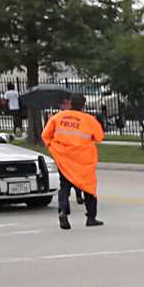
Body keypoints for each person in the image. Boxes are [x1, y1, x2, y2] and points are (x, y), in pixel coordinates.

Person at [40, 93, 105, 229]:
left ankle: (63, 211)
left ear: (70, 103)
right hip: (83, 159)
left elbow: (46, 135)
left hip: (64, 158)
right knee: (88, 188)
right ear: (83, 105)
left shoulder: (57, 117)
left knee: (65, 187)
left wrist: (53, 147)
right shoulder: (89, 119)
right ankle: (91, 218)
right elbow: (99, 137)